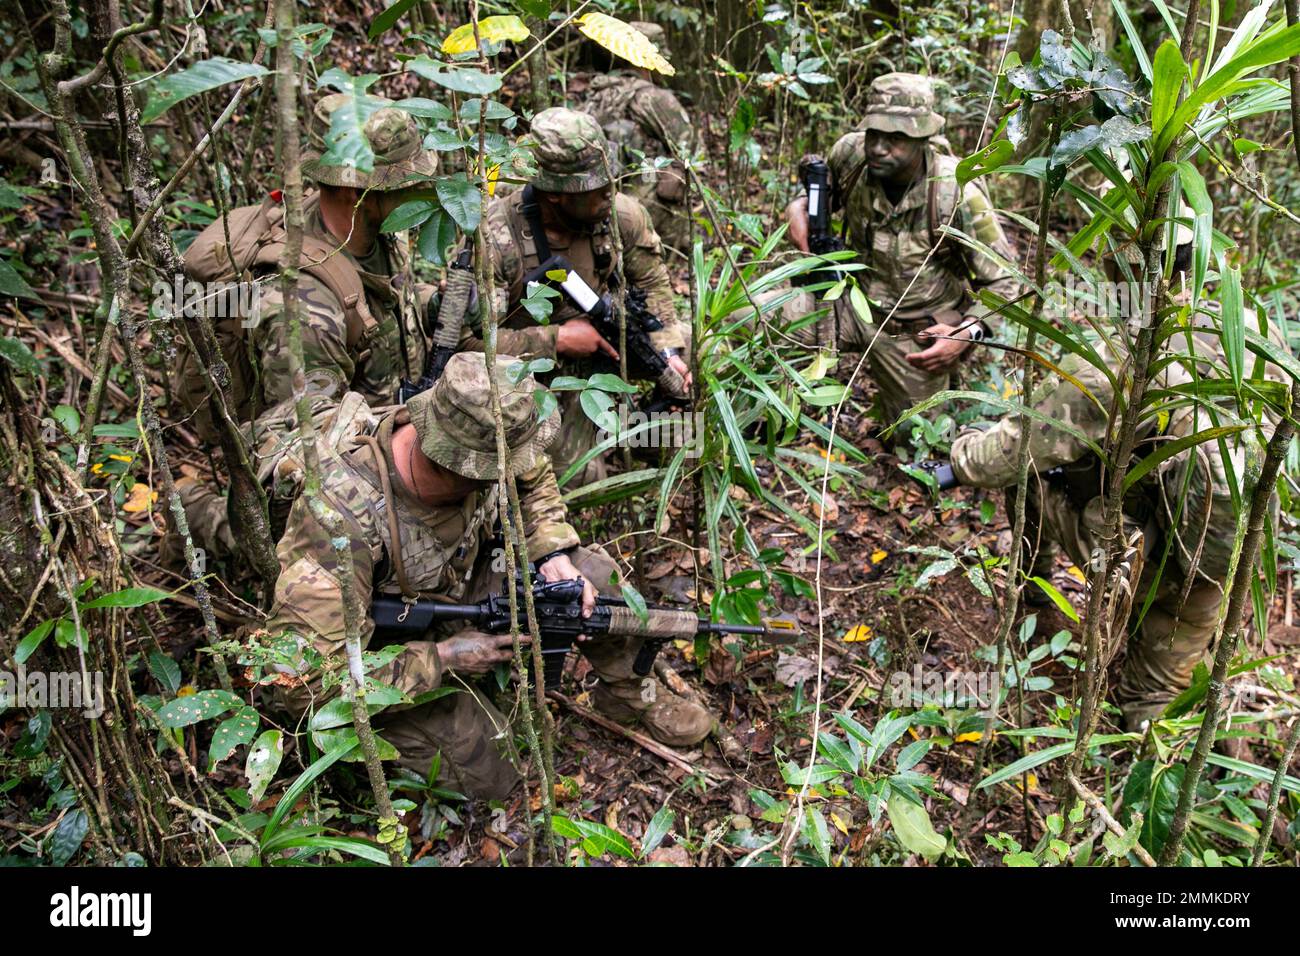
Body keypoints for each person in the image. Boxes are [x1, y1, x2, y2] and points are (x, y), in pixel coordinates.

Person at [261, 353, 712, 799]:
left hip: (462, 578)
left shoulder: (471, 437)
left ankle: (629, 691)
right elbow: (305, 684)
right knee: (492, 771)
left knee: (597, 582)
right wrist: (442, 659)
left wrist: (550, 548)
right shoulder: (337, 526)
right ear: (459, 466)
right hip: (384, 644)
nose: (520, 467)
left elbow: (530, 471)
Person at [930, 241, 1282, 730]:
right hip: (1223, 571)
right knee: (1154, 704)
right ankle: (1176, 771)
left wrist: (958, 456)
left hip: (1144, 563)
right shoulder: (1246, 331)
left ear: (1120, 269)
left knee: (1027, 484)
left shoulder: (1115, 365)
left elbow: (1006, 457)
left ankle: (1031, 592)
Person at [168, 94, 443, 563]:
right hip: (327, 457)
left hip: (380, 419)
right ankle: (192, 516)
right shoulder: (302, 305)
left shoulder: (372, 231)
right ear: (358, 191)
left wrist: (436, 304)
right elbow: (308, 442)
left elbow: (379, 304)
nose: (418, 189)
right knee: (298, 553)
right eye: (402, 180)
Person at [783, 73, 1019, 445]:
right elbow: (820, 196)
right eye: (875, 134)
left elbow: (1007, 282)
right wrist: (798, 207)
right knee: (748, 322)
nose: (878, 148)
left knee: (918, 447)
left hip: (913, 333)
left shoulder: (955, 193)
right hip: (846, 305)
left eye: (895, 139)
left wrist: (968, 334)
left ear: (922, 138)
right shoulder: (851, 154)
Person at [466, 107, 692, 486]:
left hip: (608, 347)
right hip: (534, 375)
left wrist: (668, 351)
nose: (610, 195)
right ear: (555, 195)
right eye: (595, 189)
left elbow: (653, 284)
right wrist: (557, 340)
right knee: (581, 480)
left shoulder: (619, 217)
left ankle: (644, 444)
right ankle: (598, 449)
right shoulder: (496, 240)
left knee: (696, 353)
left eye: (610, 182)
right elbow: (470, 344)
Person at [579, 20, 694, 254]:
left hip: (596, 200)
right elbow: (687, 147)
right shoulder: (653, 97)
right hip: (644, 206)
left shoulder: (599, 92)